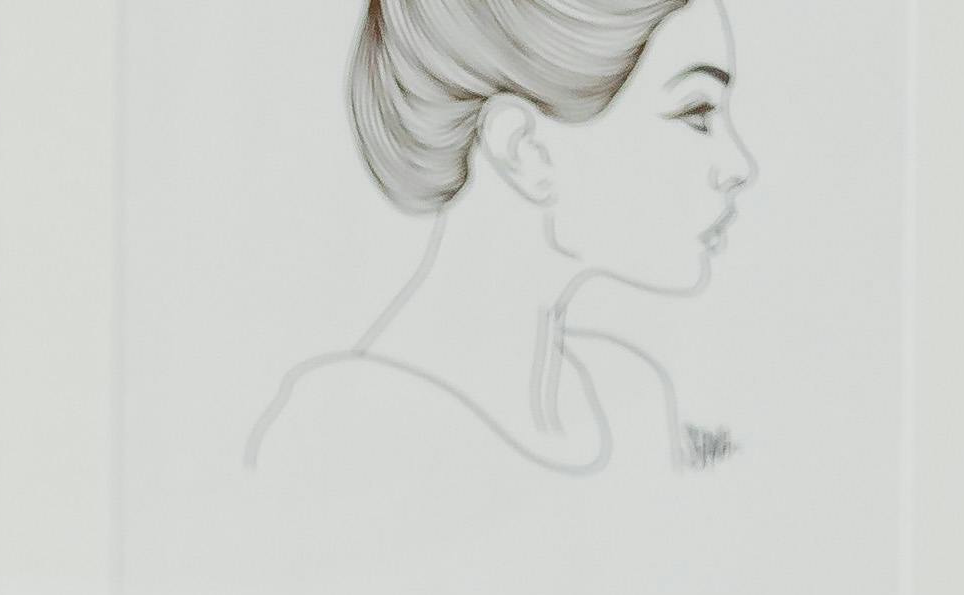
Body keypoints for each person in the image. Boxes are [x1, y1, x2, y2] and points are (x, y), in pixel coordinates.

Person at [251, 2, 759, 494]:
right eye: (697, 112)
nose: (740, 165)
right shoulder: (347, 443)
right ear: (525, 150)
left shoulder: (631, 398)